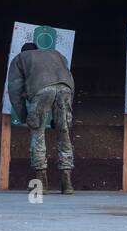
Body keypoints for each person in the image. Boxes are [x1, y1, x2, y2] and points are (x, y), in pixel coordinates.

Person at [6, 40, 76, 194]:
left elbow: (14, 89)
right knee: (64, 133)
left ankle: (42, 182)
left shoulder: (20, 58)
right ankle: (67, 182)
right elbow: (69, 77)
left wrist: (24, 116)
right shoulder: (56, 54)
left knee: (38, 134)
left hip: (41, 90)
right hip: (65, 89)